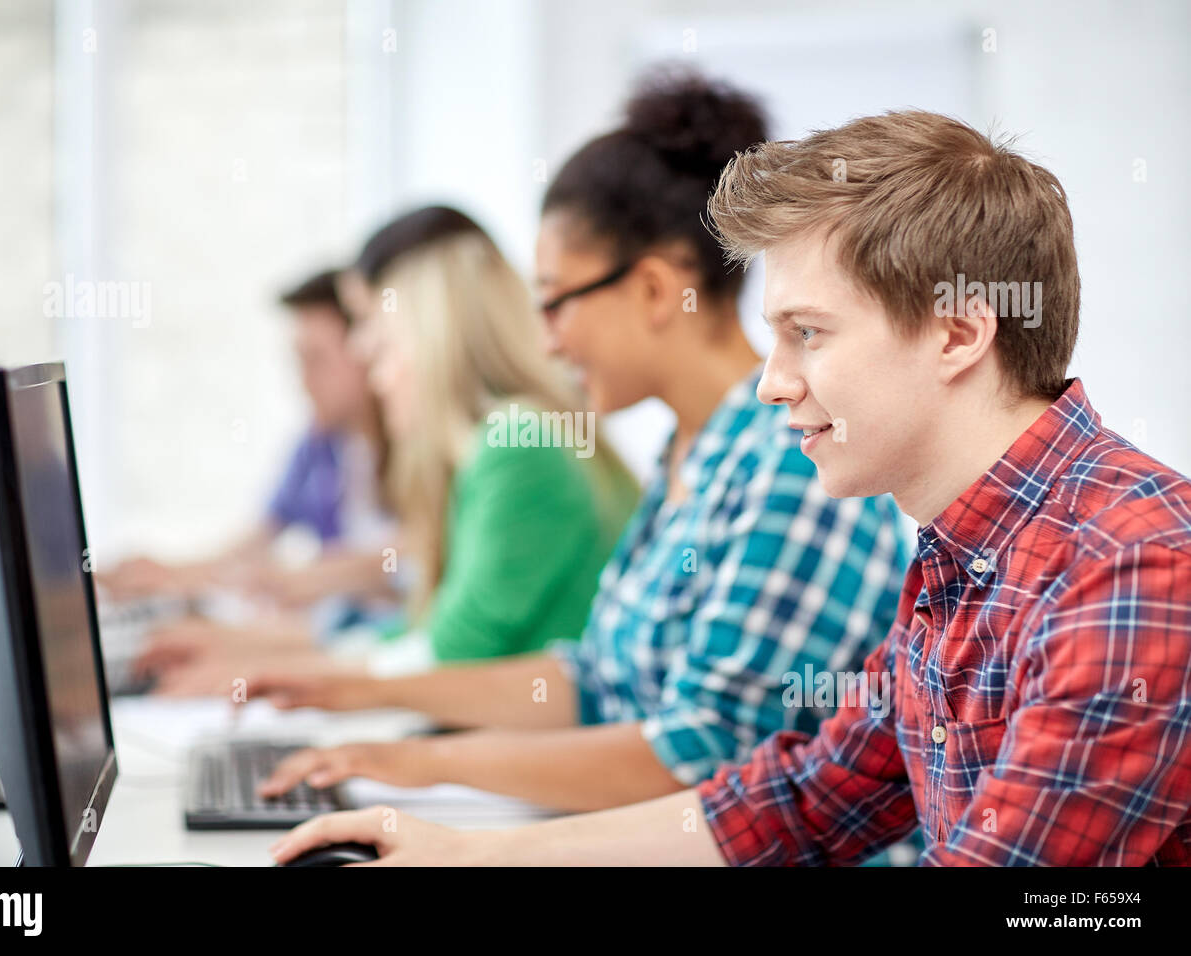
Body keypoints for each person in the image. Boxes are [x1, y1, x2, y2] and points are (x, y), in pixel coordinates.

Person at [267, 109, 1191, 867]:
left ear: (957, 334)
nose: (770, 381)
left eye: (809, 334)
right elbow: (791, 803)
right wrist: (458, 855)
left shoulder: (1129, 562)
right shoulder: (963, 559)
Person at [249, 73, 913, 834]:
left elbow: (695, 759)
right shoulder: (686, 456)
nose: (545, 338)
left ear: (657, 291)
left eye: (558, 301)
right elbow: (591, 681)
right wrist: (364, 701)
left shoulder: (789, 469)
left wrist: (424, 762)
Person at [138, 205, 642, 689]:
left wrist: (265, 669)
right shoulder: (510, 437)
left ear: (427, 334)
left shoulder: (515, 444)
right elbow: (423, 634)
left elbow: (447, 655)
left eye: (374, 329)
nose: (361, 350)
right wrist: (252, 656)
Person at [98, 269, 393, 609]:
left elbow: (404, 558)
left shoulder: (417, 446)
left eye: (317, 360)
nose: (304, 382)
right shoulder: (318, 446)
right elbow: (258, 538)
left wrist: (299, 579)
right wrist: (174, 574)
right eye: (298, 361)